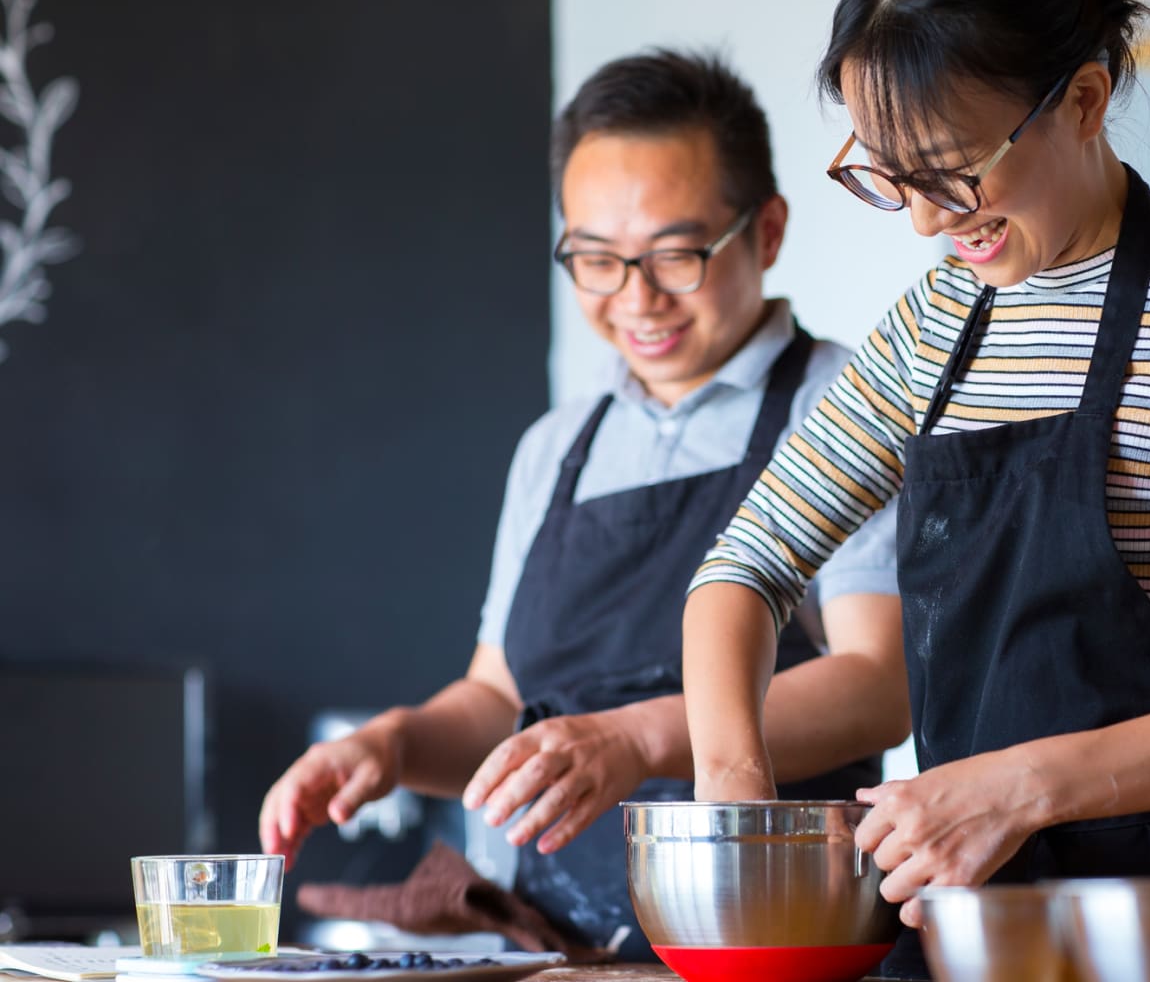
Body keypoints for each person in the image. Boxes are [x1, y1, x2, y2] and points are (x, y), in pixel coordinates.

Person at [682, 0, 1150, 974]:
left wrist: (1018, 790)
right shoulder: (931, 330)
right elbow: (746, 566)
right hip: (958, 939)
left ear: (1083, 101)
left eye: (955, 173)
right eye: (891, 179)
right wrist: (734, 792)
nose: (928, 225)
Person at [259, 49, 908, 962]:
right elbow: (499, 699)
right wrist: (395, 746)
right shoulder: (557, 448)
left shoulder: (845, 403)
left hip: (767, 941)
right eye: (595, 259)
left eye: (676, 255)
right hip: (549, 951)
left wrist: (639, 738)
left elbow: (879, 684)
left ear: (766, 231)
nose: (634, 299)